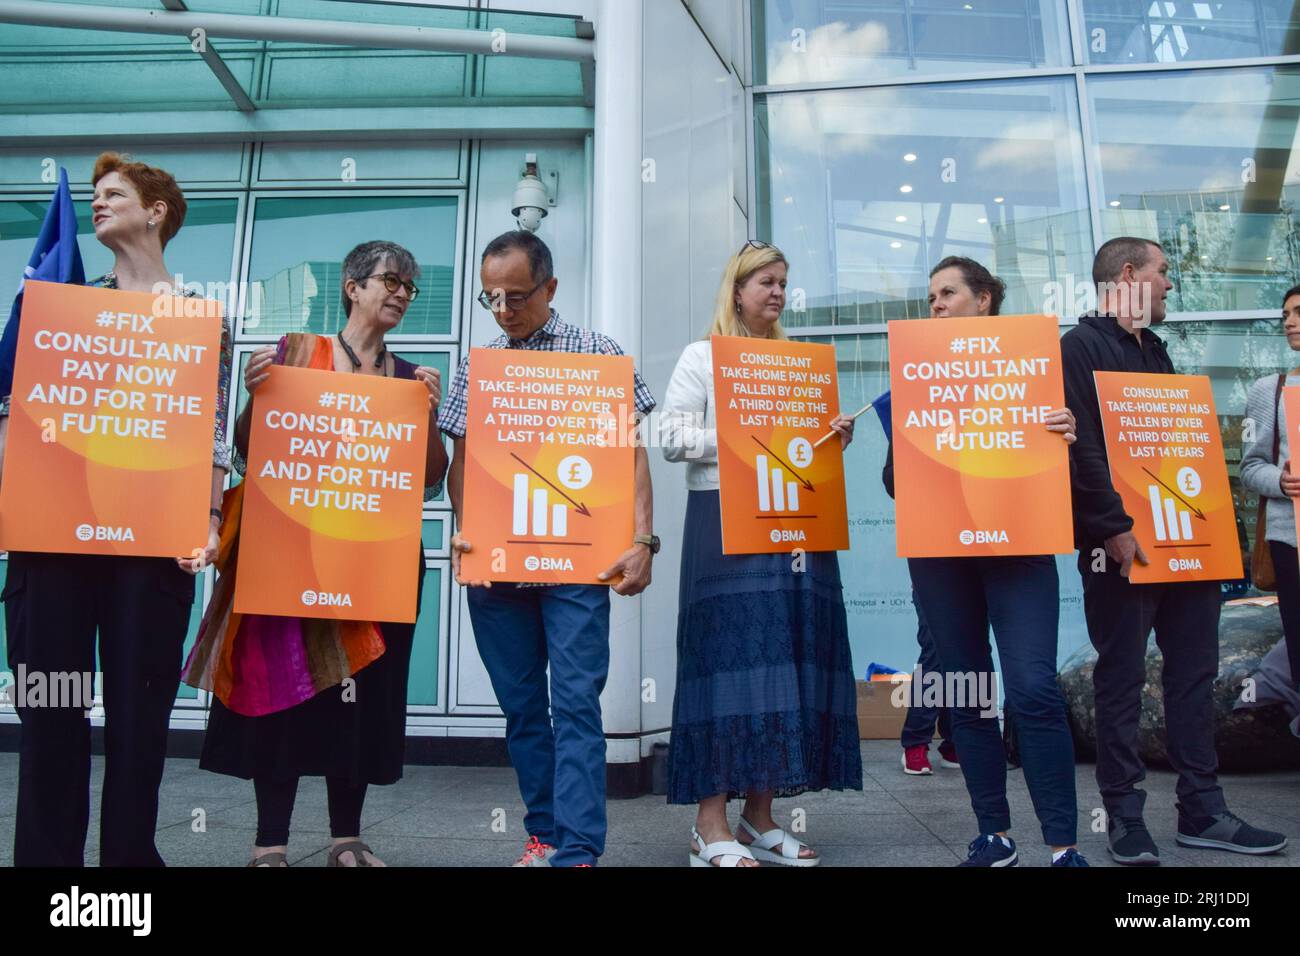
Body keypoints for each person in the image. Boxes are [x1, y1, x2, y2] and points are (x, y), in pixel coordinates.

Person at [0, 152, 231, 866]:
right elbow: (17, 412)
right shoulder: (59, 306)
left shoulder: (200, 322)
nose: (98, 205)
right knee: (51, 712)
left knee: (139, 719)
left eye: (115, 194)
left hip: (151, 552)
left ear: (156, 212)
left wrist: (211, 522)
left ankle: (129, 870)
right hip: (53, 548)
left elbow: (212, 436)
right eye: (95, 196)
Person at [185, 240, 446, 867]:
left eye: (410, 286)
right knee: (283, 688)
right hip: (292, 552)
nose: (402, 293)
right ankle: (269, 844)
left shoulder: (411, 378)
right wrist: (257, 395)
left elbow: (431, 479)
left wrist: (430, 417)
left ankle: (346, 838)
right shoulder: (296, 355)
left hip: (376, 560)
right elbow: (249, 452)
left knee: (361, 695)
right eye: (390, 280)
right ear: (352, 287)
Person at [1062, 236, 1287, 864]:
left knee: (1194, 675)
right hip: (1122, 548)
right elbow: (1082, 449)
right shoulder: (1078, 348)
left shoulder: (1156, 350)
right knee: (1121, 679)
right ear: (1129, 274)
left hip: (1185, 542)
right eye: (1163, 272)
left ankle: (1203, 811)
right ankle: (1125, 817)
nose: (1170, 284)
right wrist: (1113, 527)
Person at [441, 230, 657, 868]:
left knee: (576, 705)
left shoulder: (598, 353)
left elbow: (630, 456)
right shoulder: (480, 365)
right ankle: (545, 833)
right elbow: (461, 463)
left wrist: (643, 541)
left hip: (578, 568)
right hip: (498, 569)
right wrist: (465, 533)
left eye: (516, 295)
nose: (504, 310)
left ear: (551, 287)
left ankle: (579, 850)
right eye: (491, 298)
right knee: (523, 710)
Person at [660, 240, 862, 867]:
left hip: (795, 522)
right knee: (727, 661)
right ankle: (708, 824)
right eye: (765, 282)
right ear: (737, 290)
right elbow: (670, 437)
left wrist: (831, 437)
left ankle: (760, 817)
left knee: (786, 658)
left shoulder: (797, 365)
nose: (777, 292)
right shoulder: (702, 356)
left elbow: (800, 449)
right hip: (725, 522)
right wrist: (745, 434)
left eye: (782, 282)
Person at [891, 256, 1087, 867]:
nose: (936, 305)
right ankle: (994, 837)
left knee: (1033, 690)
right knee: (968, 691)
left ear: (985, 300)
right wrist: (913, 442)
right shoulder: (918, 377)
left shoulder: (1034, 368)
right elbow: (895, 483)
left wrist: (1066, 434)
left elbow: (1066, 473)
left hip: (1020, 549)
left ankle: (1064, 846)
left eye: (948, 293)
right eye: (931, 297)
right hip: (942, 556)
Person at [1241, 284, 1300, 693]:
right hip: (1291, 539)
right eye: (1285, 315)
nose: (1290, 322)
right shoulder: (1271, 389)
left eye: (1298, 312)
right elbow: (1249, 468)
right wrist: (1280, 480)